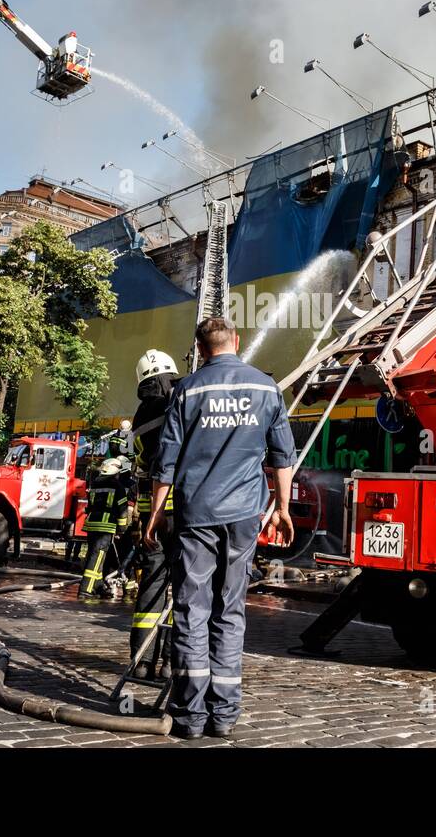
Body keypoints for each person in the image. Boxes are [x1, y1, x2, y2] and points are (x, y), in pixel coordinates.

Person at [145, 316, 296, 740]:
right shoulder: (267, 388)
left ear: (199, 348)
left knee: (192, 609)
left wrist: (156, 513)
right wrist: (282, 508)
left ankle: (190, 716)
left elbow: (167, 462)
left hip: (196, 513)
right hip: (245, 514)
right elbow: (282, 457)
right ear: (237, 341)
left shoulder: (187, 390)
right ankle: (225, 714)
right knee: (229, 610)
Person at [125, 349, 180, 677]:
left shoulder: (140, 416)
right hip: (181, 511)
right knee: (184, 587)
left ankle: (141, 661)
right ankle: (170, 662)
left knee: (153, 584)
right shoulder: (180, 403)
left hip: (152, 518)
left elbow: (143, 465)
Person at [80, 458, 130, 600]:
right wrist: (122, 529)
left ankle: (98, 585)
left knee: (96, 556)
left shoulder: (95, 483)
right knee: (97, 557)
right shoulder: (117, 486)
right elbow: (122, 509)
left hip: (91, 523)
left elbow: (89, 505)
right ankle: (86, 589)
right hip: (106, 525)